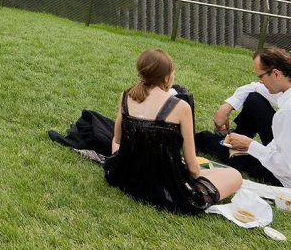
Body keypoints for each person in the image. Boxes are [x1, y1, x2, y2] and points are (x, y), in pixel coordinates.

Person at [102, 49, 242, 213]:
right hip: (168, 190)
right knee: (234, 175)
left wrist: (122, 163)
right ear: (167, 76)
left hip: (126, 177)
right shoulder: (181, 107)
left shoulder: (126, 96)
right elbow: (193, 168)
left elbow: (117, 140)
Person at [196, 47, 291, 197]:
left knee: (213, 144)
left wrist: (250, 145)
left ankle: (200, 139)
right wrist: (227, 106)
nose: (260, 81)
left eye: (261, 76)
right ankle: (234, 138)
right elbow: (255, 89)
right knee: (254, 99)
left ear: (276, 74)